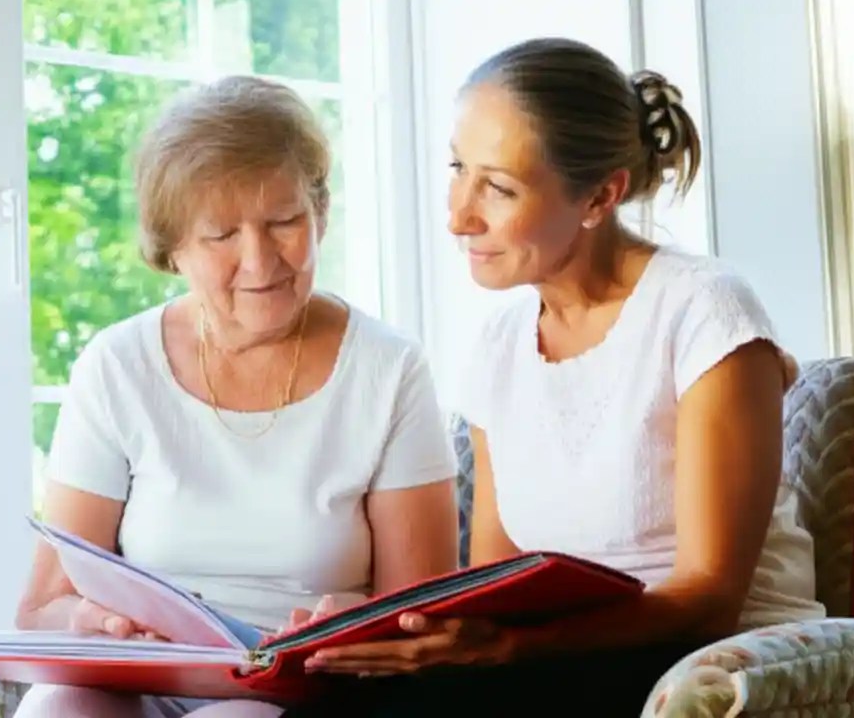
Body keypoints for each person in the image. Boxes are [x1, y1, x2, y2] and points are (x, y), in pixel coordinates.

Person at [280, 36, 825, 717]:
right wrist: (376, 625)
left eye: (499, 188)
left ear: (601, 196)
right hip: (560, 659)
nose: (457, 215)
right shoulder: (499, 347)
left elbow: (709, 599)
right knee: (335, 702)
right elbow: (495, 584)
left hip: (705, 661)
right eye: (458, 168)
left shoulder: (703, 310)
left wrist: (506, 649)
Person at [10, 75, 461, 718]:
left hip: (298, 695)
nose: (260, 261)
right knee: (56, 709)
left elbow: (424, 621)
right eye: (222, 235)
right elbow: (40, 611)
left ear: (320, 214)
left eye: (284, 222)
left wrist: (357, 623)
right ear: (173, 250)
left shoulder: (388, 370)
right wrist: (91, 621)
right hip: (140, 686)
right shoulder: (116, 366)